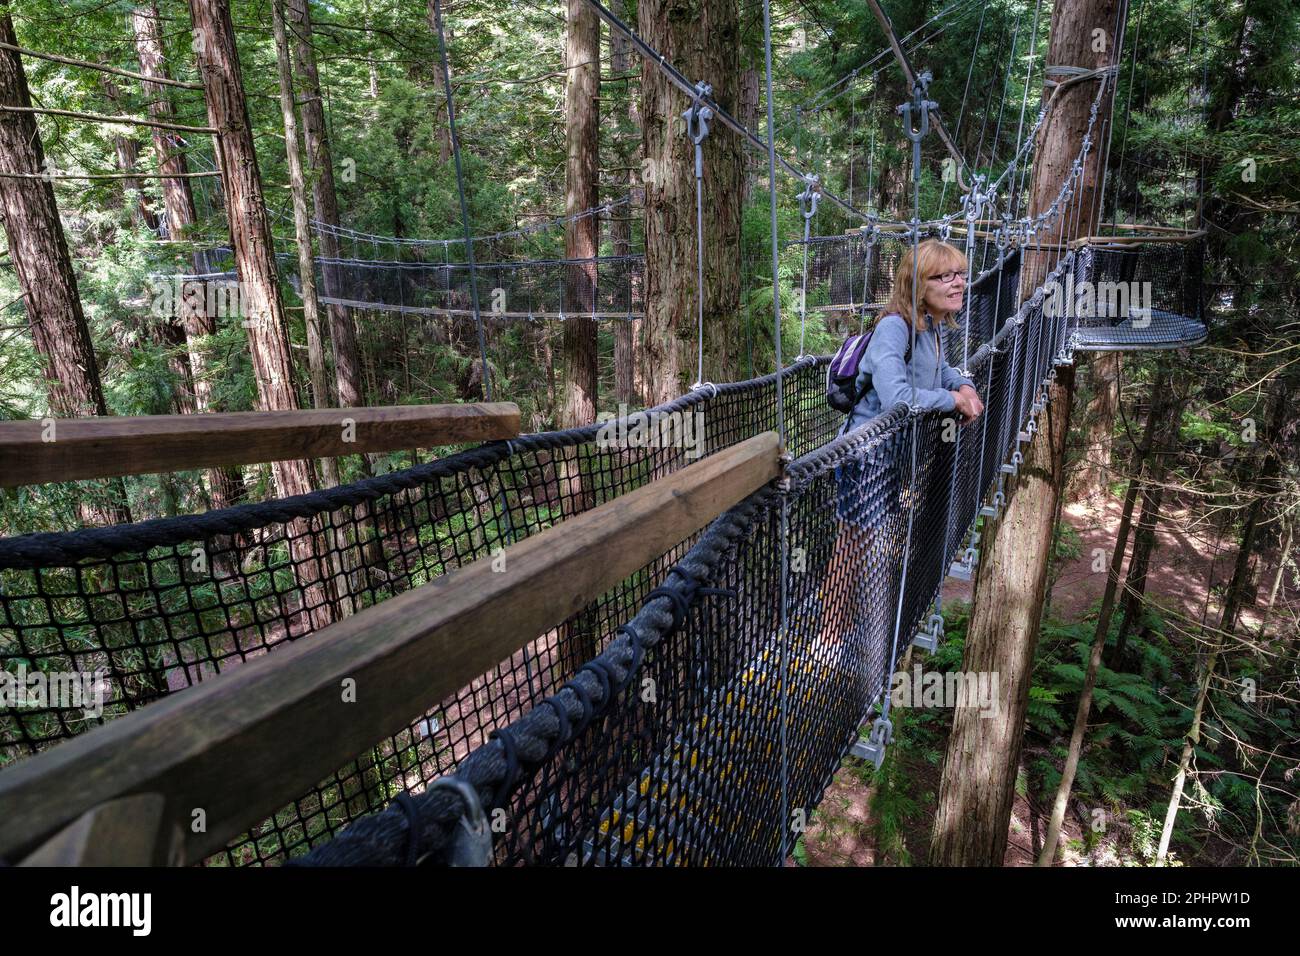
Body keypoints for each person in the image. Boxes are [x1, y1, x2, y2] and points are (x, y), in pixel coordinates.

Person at [817, 239, 984, 696]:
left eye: (960, 274)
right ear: (916, 284)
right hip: (866, 455)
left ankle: (836, 635)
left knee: (858, 542)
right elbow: (899, 398)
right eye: (943, 276)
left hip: (893, 458)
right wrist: (951, 400)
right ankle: (832, 641)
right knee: (855, 547)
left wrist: (963, 384)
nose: (957, 283)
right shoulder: (896, 328)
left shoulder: (931, 326)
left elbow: (939, 374)